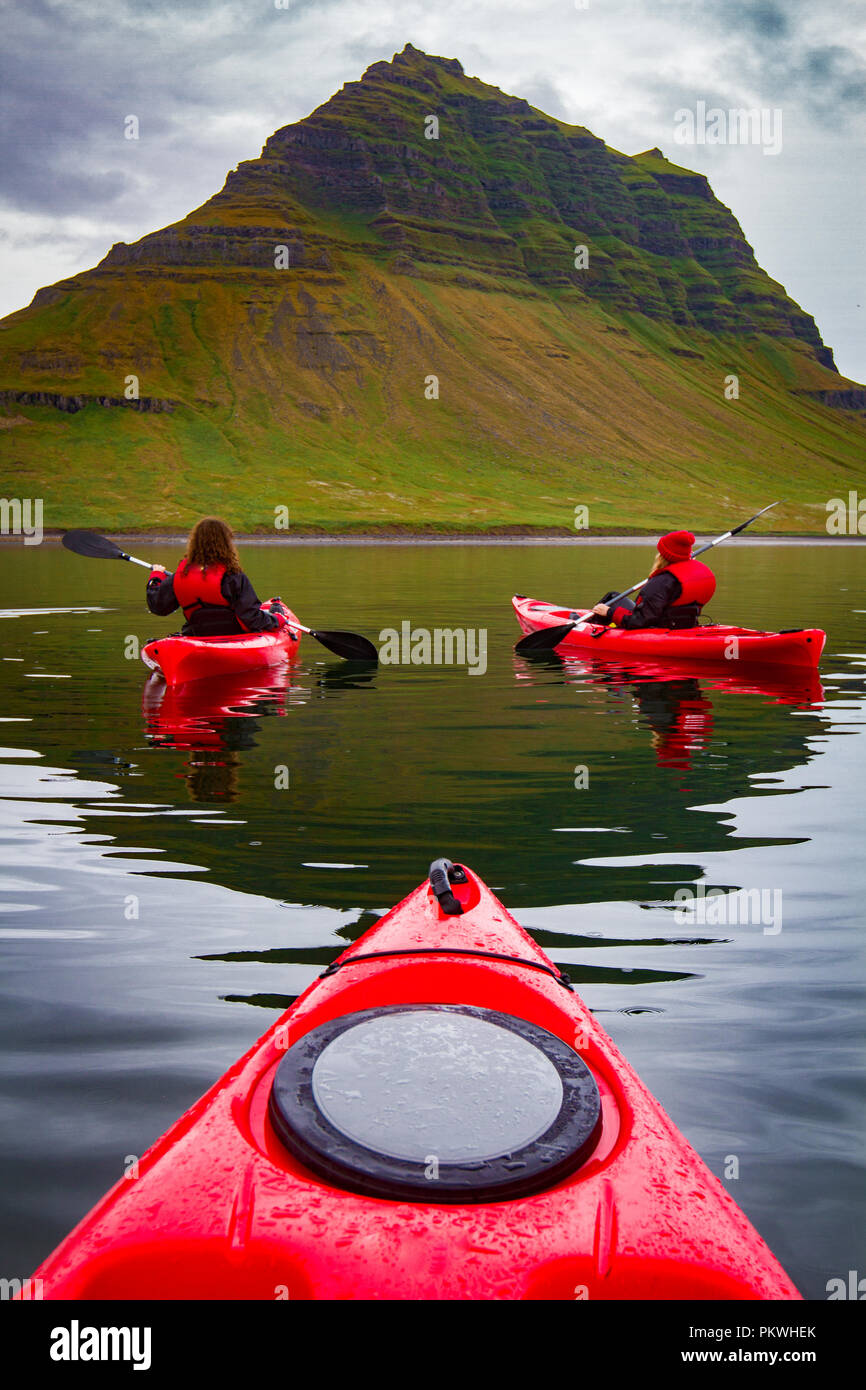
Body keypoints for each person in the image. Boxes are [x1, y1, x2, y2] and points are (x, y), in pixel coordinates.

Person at [145, 516, 290, 635]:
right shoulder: (233, 576)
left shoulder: (180, 575)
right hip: (234, 635)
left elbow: (158, 607)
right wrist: (277, 620)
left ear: (194, 542)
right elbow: (251, 618)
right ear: (226, 543)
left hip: (196, 634)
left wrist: (156, 577)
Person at [590, 531, 715, 630]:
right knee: (614, 596)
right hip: (684, 625)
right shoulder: (690, 575)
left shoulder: (661, 582)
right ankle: (593, 622)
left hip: (656, 627)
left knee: (610, 600)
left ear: (663, 556)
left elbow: (639, 621)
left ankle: (590, 626)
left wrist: (609, 612)